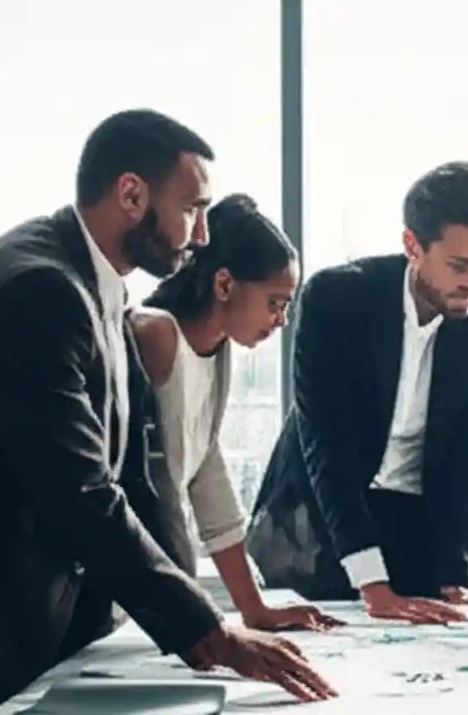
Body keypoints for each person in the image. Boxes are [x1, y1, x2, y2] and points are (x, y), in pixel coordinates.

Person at [0, 109, 335, 711]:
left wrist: (204, 624)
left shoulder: (97, 288)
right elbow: (80, 494)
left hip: (1, 613)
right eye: (193, 209)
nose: (201, 235)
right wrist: (209, 634)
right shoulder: (37, 291)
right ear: (132, 193)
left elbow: (140, 478)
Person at [246, 161, 468, 624]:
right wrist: (372, 584)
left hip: (413, 525)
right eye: (459, 265)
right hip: (314, 523)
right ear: (412, 245)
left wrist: (453, 578)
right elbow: (326, 446)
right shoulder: (337, 299)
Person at [131, 193, 344, 634]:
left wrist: (253, 609)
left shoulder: (217, 349)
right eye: (275, 303)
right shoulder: (157, 335)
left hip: (150, 571)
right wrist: (198, 623)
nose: (282, 320)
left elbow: (205, 469)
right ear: (224, 285)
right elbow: (148, 490)